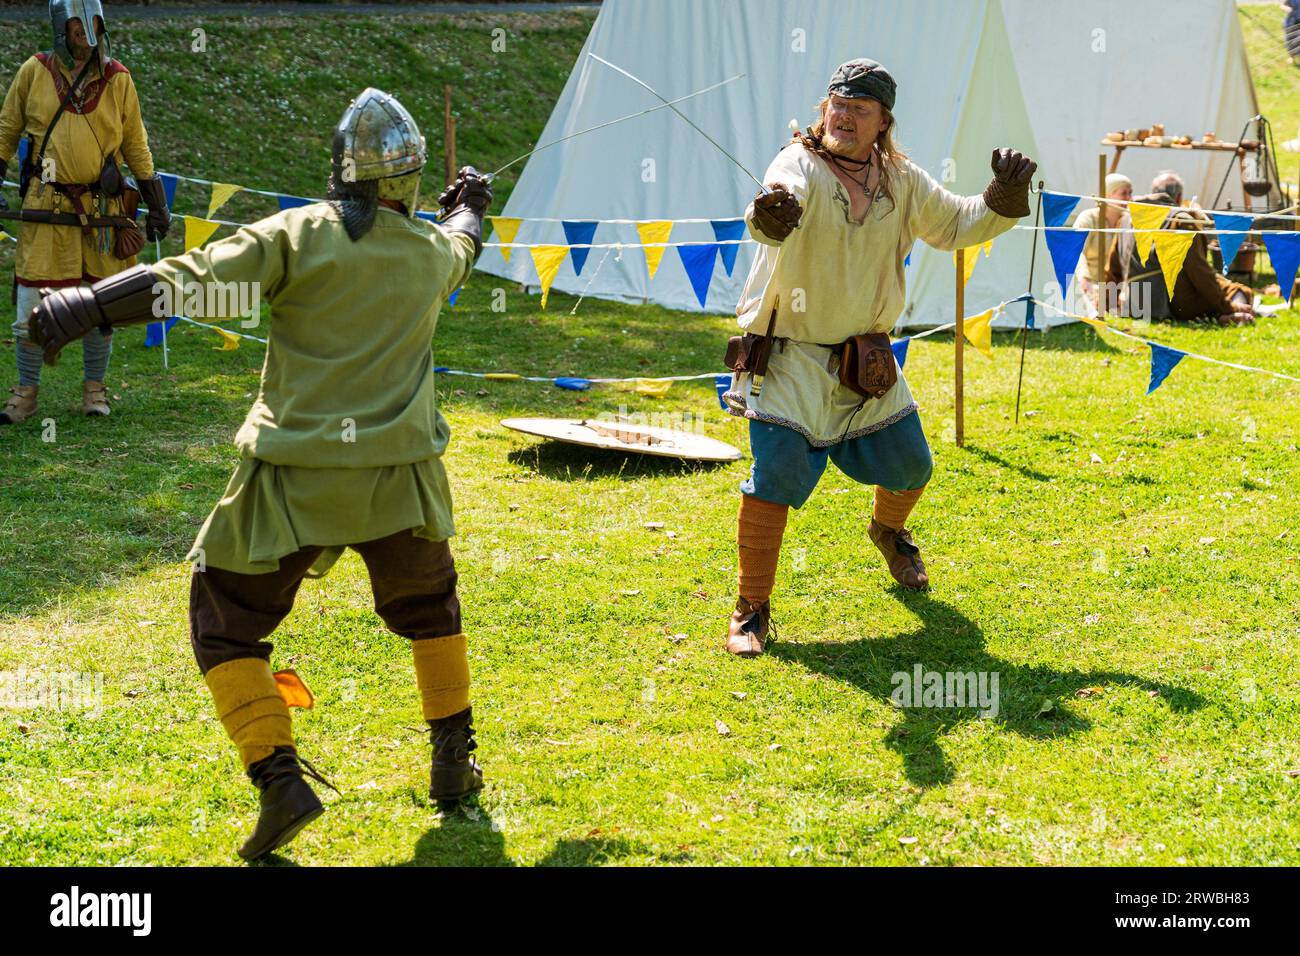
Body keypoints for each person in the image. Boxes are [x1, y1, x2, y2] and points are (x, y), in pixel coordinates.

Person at [25, 88, 492, 862]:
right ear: (406, 180)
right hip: (398, 476)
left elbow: (194, 278)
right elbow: (464, 246)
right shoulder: (430, 254)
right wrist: (470, 204)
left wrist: (82, 306)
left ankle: (280, 782)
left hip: (293, 476)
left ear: (343, 171)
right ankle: (452, 760)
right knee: (432, 608)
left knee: (226, 620)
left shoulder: (298, 236)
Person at [721, 59, 1036, 657]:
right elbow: (773, 210)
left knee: (912, 465)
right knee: (776, 480)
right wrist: (771, 213)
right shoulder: (798, 164)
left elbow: (957, 224)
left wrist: (1004, 194)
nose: (842, 117)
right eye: (836, 106)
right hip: (789, 357)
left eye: (858, 110)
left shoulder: (902, 179)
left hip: (865, 360)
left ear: (882, 120)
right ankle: (751, 607)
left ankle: (888, 532)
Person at [0, 0, 170, 424]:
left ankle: (94, 390)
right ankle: (26, 393)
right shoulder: (34, 71)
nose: (86, 32)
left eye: (93, 23)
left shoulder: (119, 79)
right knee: (32, 304)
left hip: (103, 211)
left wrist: (157, 204)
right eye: (78, 23)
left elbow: (136, 143)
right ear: (62, 26)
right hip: (46, 203)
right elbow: (6, 130)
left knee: (103, 304)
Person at [1111, 171, 1255, 325]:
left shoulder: (1127, 218)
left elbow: (1113, 268)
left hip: (1133, 305)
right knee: (1237, 290)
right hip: (1170, 306)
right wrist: (1227, 306)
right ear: (1179, 197)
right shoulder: (1180, 221)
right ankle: (1227, 314)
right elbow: (1199, 272)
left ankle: (1224, 312)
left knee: (1219, 282)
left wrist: (1106, 303)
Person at [1072, 173, 1131, 310]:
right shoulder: (1088, 218)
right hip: (1089, 283)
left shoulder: (1128, 222)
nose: (1129, 198)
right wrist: (1084, 280)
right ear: (1109, 195)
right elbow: (1076, 251)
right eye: (1123, 193)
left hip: (1118, 287)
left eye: (1130, 193)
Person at [1283, 1, 1300, 66]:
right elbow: (1282, 5)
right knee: (1291, 40)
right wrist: (1286, 8)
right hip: (1291, 23)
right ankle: (1291, 57)